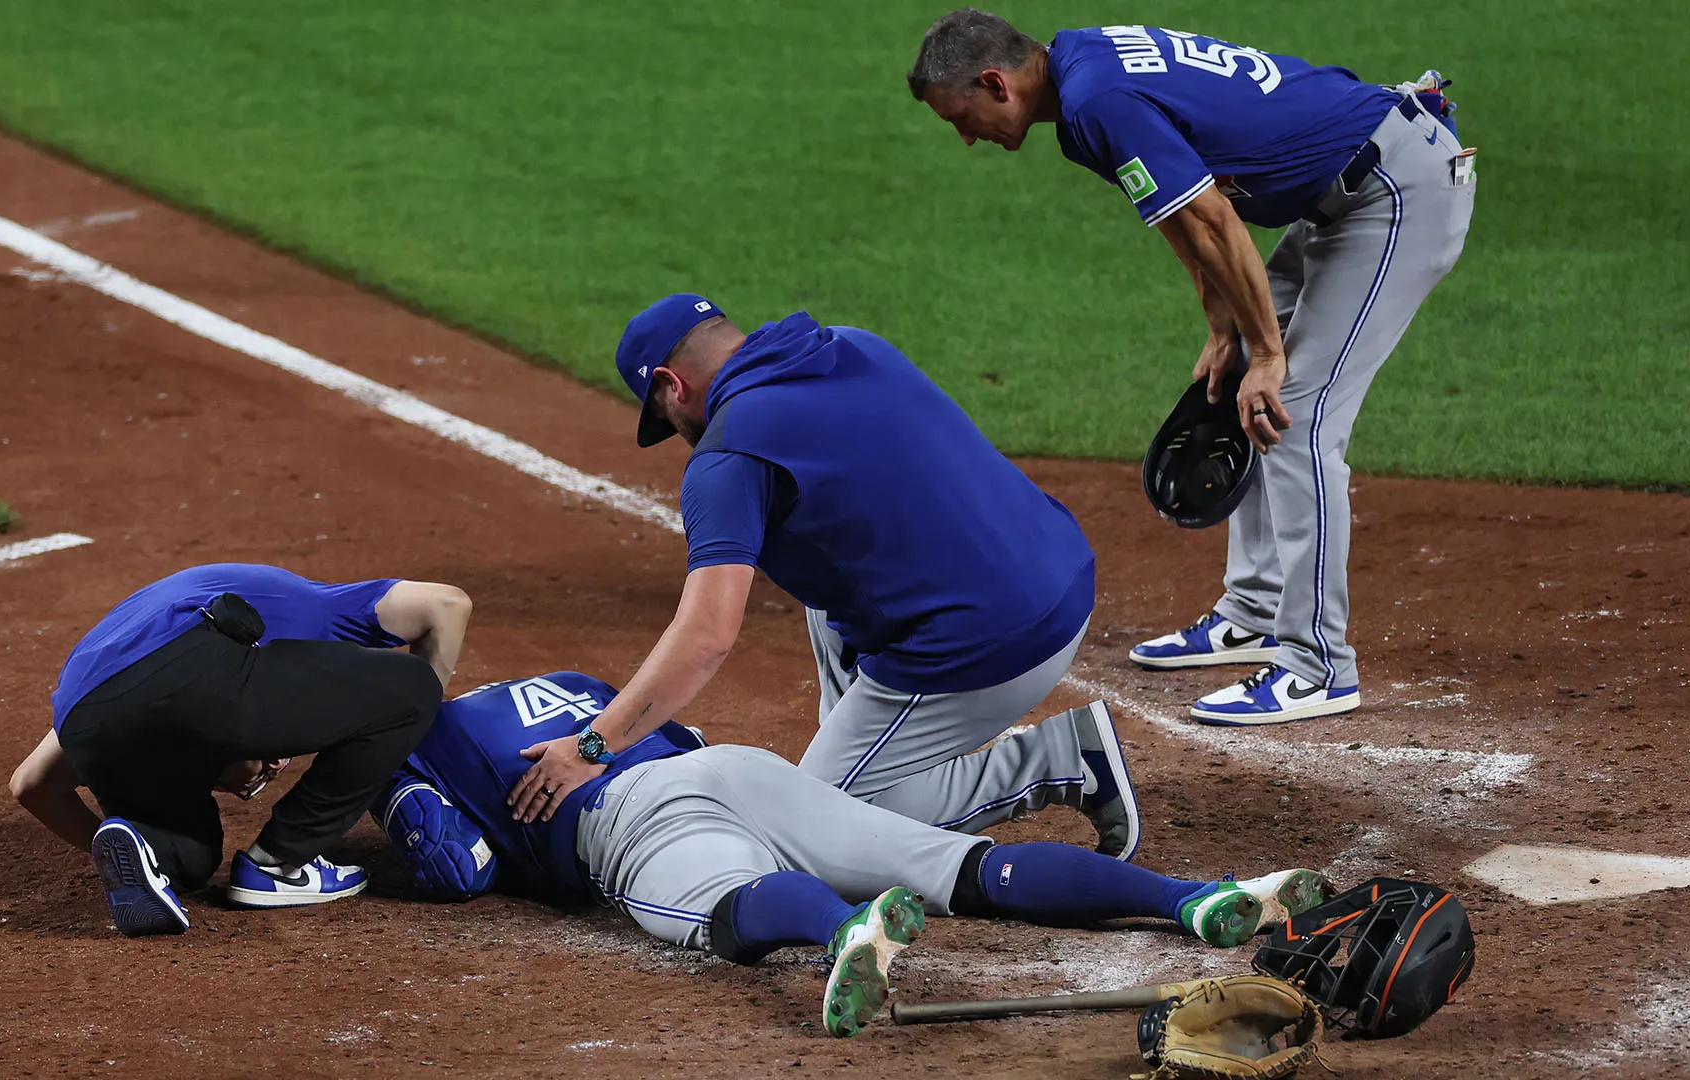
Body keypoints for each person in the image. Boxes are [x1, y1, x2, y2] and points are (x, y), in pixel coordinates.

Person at [907, 11, 1475, 724]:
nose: (965, 137)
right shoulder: (1080, 71)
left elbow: (1216, 220)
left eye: (962, 116)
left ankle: (1318, 664)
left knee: (1295, 414)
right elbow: (1180, 212)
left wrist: (1267, 351)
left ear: (996, 82)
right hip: (1345, 188)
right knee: (1242, 380)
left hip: (1397, 190)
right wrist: (1224, 328)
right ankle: (1255, 606)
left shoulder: (1095, 102)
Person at [512, 293, 1141, 860]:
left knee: (814, 827)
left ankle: (1057, 762)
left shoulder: (727, 459)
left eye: (663, 416)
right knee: (818, 535)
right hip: (1059, 569)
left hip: (994, 641)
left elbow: (706, 635)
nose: (676, 435)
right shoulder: (848, 344)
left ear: (673, 386)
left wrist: (593, 746)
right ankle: (867, 754)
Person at [376, 671, 1331, 1036]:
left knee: (730, 906)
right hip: (743, 771)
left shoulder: (410, 746)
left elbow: (458, 869)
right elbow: (689, 740)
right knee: (965, 868)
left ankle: (845, 933)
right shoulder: (561, 684)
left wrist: (390, 817)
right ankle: (1194, 900)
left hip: (637, 827)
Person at [9, 563, 470, 936]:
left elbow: (32, 785)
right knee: (412, 689)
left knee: (191, 857)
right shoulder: (324, 610)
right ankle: (278, 864)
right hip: (188, 668)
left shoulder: (138, 637)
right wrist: (410, 740)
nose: (275, 763)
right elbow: (447, 604)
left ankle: (147, 853)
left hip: (84, 716)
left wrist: (101, 846)